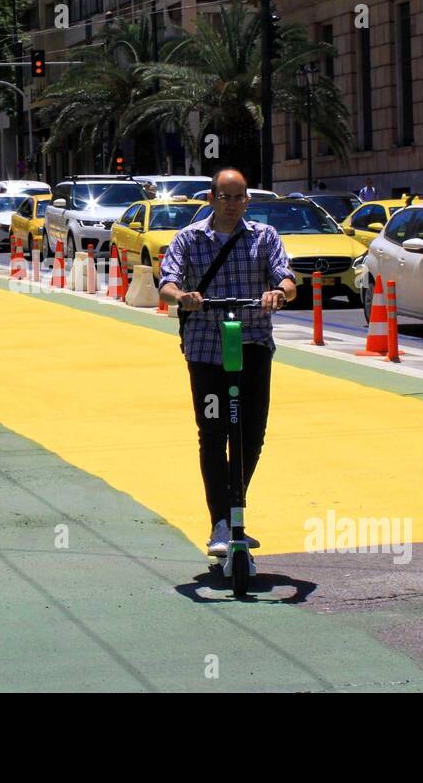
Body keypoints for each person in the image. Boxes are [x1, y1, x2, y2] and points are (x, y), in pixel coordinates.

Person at [157, 168, 298, 556]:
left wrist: (279, 293)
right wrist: (181, 296)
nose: (232, 205)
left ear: (247, 202)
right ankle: (222, 521)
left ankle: (234, 512)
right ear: (211, 199)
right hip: (206, 349)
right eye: (225, 197)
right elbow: (167, 281)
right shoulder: (189, 239)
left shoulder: (264, 237)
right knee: (214, 433)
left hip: (252, 342)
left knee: (251, 434)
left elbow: (286, 277)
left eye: (239, 198)